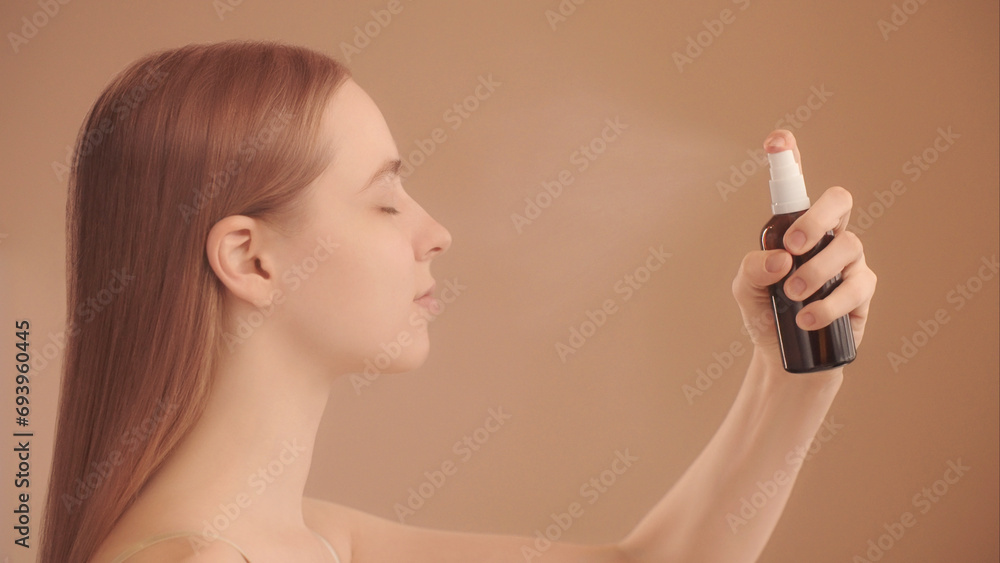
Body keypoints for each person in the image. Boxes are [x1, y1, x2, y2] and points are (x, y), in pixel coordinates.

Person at [40, 40, 876, 562]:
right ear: (250, 259)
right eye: (385, 199)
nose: (435, 232)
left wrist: (795, 373)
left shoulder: (318, 541)